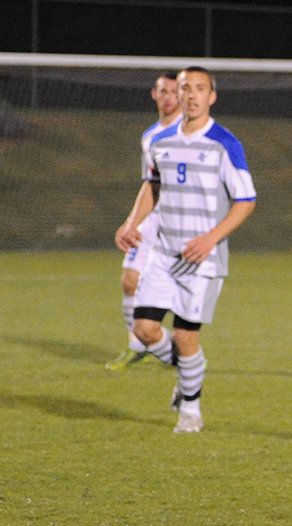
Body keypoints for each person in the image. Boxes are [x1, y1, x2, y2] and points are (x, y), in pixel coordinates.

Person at [115, 66, 256, 433]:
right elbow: (152, 186)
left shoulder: (225, 143)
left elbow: (245, 200)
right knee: (145, 329)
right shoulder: (160, 142)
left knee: (185, 337)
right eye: (184, 89)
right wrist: (131, 224)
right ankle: (190, 373)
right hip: (164, 253)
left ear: (211, 96)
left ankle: (190, 408)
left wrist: (211, 238)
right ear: (176, 94)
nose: (191, 95)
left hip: (203, 259)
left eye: (199, 89)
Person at [106, 71, 182, 370]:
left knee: (178, 289)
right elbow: (151, 183)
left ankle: (176, 349)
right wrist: (131, 223)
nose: (168, 97)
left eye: (174, 92)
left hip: (179, 220)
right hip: (154, 217)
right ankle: (138, 345)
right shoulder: (150, 136)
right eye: (163, 91)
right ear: (154, 94)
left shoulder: (189, 130)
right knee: (129, 280)